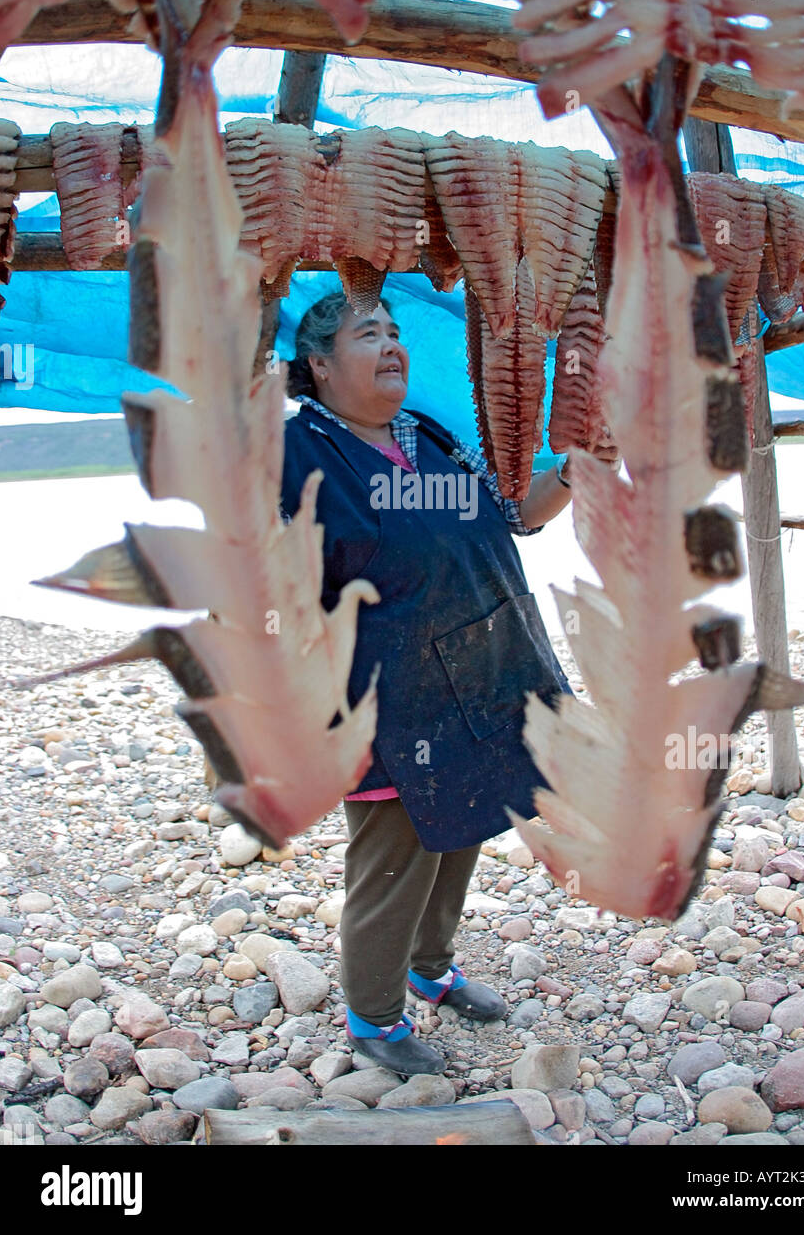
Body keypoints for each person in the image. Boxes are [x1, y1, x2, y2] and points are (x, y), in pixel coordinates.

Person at [280, 289, 575, 1076]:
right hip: (383, 699)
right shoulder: (295, 453)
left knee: (465, 826)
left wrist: (576, 470)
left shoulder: (431, 438)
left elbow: (520, 514)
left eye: (395, 331)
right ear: (318, 364)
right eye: (367, 333)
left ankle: (431, 969)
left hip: (481, 676)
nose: (392, 345)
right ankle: (374, 1021)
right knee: (395, 857)